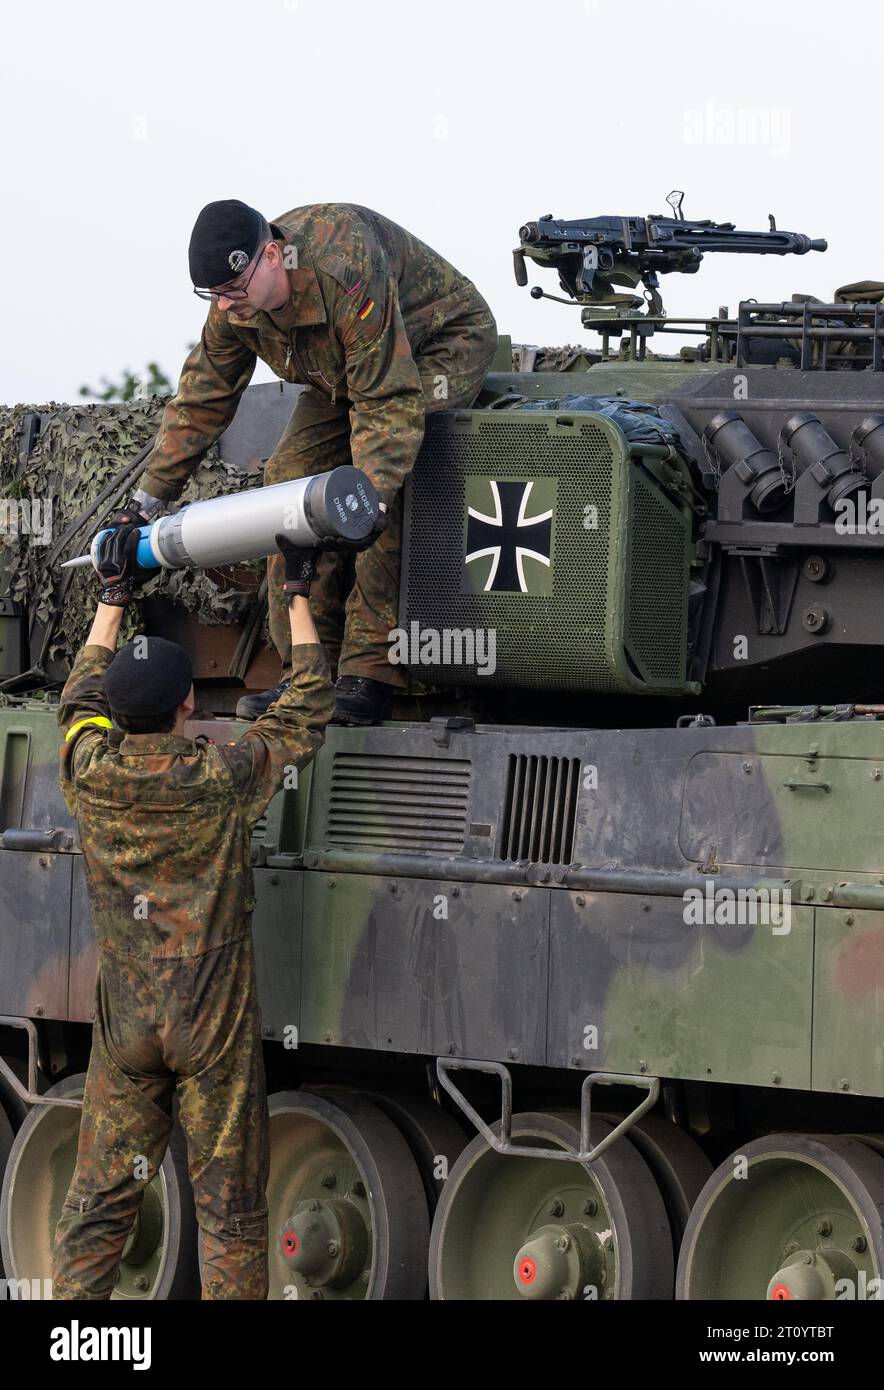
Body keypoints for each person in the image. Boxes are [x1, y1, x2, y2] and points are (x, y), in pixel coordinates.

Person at [52, 519, 334, 1299]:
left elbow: (76, 699)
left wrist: (114, 595)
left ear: (118, 713)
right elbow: (306, 705)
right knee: (233, 1217)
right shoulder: (220, 778)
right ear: (188, 704)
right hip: (212, 1034)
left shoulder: (89, 772)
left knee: (100, 1202)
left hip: (128, 1030)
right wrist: (299, 593)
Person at [107, 199, 499, 725]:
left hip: (436, 345)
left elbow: (385, 402)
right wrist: (143, 504)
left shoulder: (344, 264)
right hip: (344, 371)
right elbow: (203, 397)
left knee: (373, 488)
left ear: (271, 256)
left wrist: (371, 497)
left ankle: (369, 673)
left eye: (232, 290)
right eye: (212, 295)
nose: (223, 307)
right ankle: (308, 670)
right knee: (288, 486)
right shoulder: (234, 296)